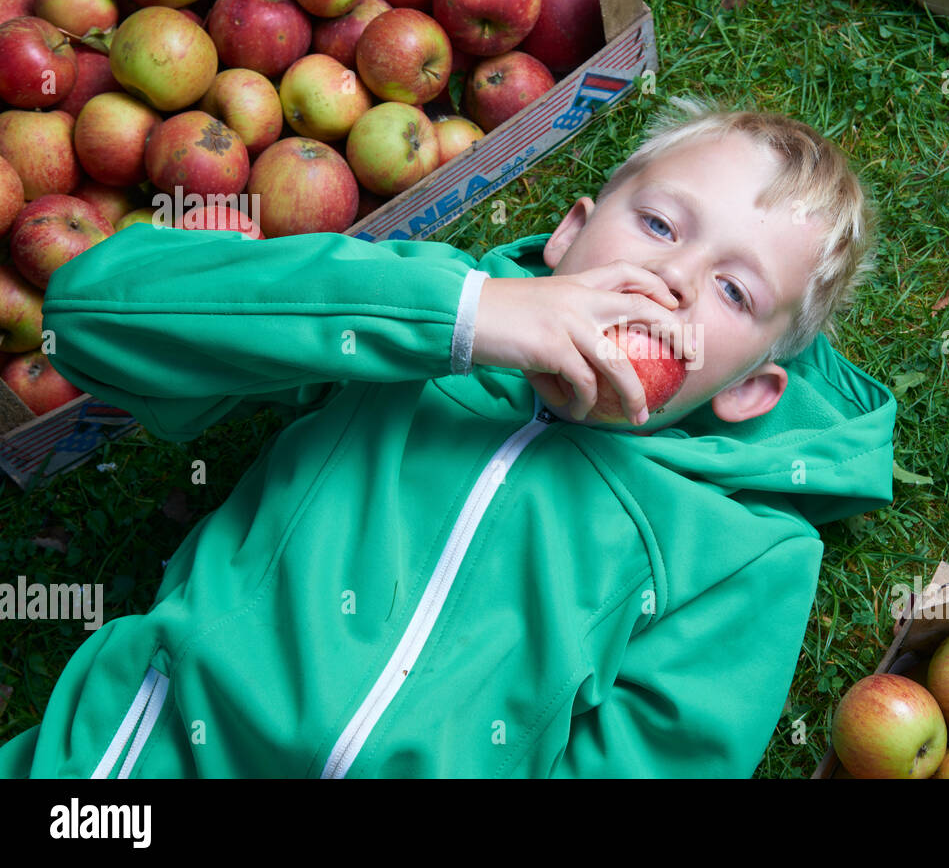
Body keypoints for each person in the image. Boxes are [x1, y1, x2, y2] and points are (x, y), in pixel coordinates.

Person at [0, 95, 896, 778]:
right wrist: (464, 315)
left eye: (735, 292)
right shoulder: (413, 326)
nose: (673, 278)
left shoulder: (749, 552)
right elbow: (93, 313)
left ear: (751, 391)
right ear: (570, 233)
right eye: (659, 224)